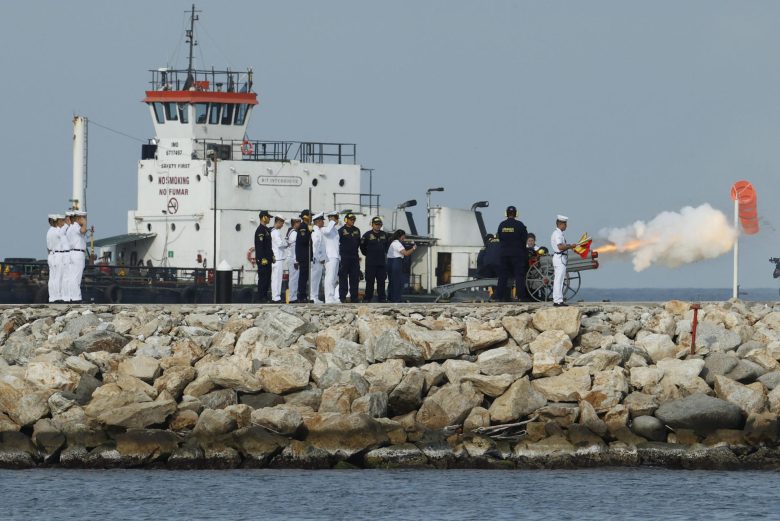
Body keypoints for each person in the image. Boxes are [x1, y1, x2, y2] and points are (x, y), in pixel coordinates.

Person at [496, 205, 529, 302]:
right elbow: (524, 240)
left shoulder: (501, 225)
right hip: (517, 254)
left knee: (502, 276)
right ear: (516, 214)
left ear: (506, 214)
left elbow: (500, 238)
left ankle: (499, 297)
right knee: (519, 276)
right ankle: (521, 297)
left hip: (504, 254)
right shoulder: (520, 225)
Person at [360, 216, 390, 302]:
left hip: (381, 263)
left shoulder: (384, 235)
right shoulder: (367, 235)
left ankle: (382, 298)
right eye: (376, 224)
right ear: (372, 225)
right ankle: (367, 298)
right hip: (371, 263)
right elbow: (362, 247)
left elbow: (387, 247)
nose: (378, 226)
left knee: (381, 282)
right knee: (370, 282)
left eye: (379, 224)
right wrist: (369, 254)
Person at [386, 229, 416, 303]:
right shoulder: (397, 243)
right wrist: (413, 248)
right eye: (404, 236)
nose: (404, 238)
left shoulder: (393, 243)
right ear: (401, 236)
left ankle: (390, 297)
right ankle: (396, 299)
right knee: (398, 282)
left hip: (390, 262)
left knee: (392, 281)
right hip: (396, 262)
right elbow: (406, 253)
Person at [338, 212, 361, 302]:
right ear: (346, 220)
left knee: (355, 278)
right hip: (344, 257)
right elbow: (337, 243)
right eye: (351, 219)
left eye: (354, 219)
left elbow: (358, 243)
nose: (353, 221)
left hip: (354, 257)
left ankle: (354, 297)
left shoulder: (357, 230)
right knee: (343, 278)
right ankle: (342, 297)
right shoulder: (341, 230)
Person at [551, 215, 573, 307]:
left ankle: (558, 299)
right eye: (565, 224)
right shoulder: (558, 234)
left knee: (559, 279)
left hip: (559, 257)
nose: (566, 226)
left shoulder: (557, 233)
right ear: (560, 224)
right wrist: (570, 246)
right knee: (559, 280)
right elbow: (560, 247)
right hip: (559, 258)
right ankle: (558, 300)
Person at [66, 210, 88, 303]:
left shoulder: (71, 228)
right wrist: (84, 224)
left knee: (72, 277)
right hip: (77, 253)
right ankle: (76, 298)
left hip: (72, 253)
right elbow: (83, 231)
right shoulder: (76, 227)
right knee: (76, 277)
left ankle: (71, 296)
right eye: (83, 218)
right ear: (79, 218)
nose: (84, 220)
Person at [322, 210, 341, 304]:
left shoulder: (335, 230)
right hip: (329, 256)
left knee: (333, 278)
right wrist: (331, 221)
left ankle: (332, 296)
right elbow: (326, 232)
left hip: (336, 256)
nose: (338, 220)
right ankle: (328, 298)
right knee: (329, 278)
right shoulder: (326, 228)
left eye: (337, 218)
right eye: (336, 218)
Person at [254, 210, 273, 303]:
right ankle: (261, 297)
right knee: (263, 279)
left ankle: (265, 296)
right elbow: (260, 246)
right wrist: (262, 258)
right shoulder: (260, 230)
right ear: (264, 217)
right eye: (268, 217)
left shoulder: (267, 230)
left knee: (267, 279)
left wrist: (272, 255)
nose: (269, 219)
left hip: (268, 259)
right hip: (263, 260)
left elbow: (268, 245)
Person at [270, 215, 288, 303]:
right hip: (278, 258)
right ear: (279, 222)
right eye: (282, 223)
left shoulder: (273, 231)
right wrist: (287, 244)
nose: (282, 225)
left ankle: (276, 296)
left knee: (276, 279)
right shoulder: (275, 232)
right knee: (277, 279)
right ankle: (276, 297)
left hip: (277, 258)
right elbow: (280, 244)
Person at [295, 210, 312, 303]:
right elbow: (304, 240)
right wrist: (309, 232)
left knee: (305, 277)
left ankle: (304, 295)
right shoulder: (303, 227)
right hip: (303, 255)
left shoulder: (306, 226)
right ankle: (301, 296)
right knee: (303, 277)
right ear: (306, 217)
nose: (312, 218)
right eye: (310, 216)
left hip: (306, 255)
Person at [310, 213, 327, 303]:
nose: (323, 222)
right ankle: (313, 297)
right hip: (316, 259)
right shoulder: (315, 231)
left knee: (317, 279)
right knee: (315, 279)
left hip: (317, 259)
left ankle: (315, 297)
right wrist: (320, 257)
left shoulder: (318, 231)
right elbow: (316, 246)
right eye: (322, 220)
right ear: (317, 221)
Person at [286, 217, 301, 303]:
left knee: (293, 278)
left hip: (291, 258)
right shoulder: (294, 233)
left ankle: (293, 297)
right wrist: (296, 260)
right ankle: (292, 298)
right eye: (298, 222)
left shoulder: (290, 231)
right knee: (294, 279)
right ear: (294, 223)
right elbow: (294, 249)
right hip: (293, 259)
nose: (299, 224)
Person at [46, 214, 60, 303]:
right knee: (59, 277)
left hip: (51, 255)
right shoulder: (56, 231)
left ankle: (53, 297)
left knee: (52, 278)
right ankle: (57, 297)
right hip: (58, 255)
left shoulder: (49, 231)